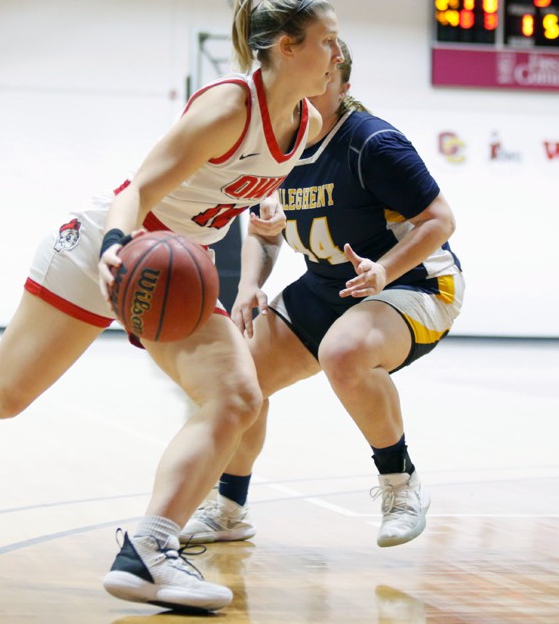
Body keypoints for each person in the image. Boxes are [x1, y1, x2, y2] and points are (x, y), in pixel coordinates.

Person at [0, 0, 343, 613]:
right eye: (326, 40)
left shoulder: (309, 123)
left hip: (179, 269)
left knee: (238, 395)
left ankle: (149, 549)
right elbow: (137, 190)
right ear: (286, 47)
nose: (336, 51)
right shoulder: (227, 107)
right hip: (103, 249)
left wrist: (259, 219)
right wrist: (115, 245)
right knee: (3, 394)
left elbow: (234, 192)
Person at [181, 38, 463, 550]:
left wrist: (384, 269)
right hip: (329, 284)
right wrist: (249, 286)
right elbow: (266, 232)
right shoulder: (277, 145)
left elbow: (441, 221)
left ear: (343, 85)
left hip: (415, 281)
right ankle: (228, 509)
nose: (310, 89)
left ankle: (401, 485)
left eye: (325, 78)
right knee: (240, 378)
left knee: (344, 353)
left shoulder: (372, 143)